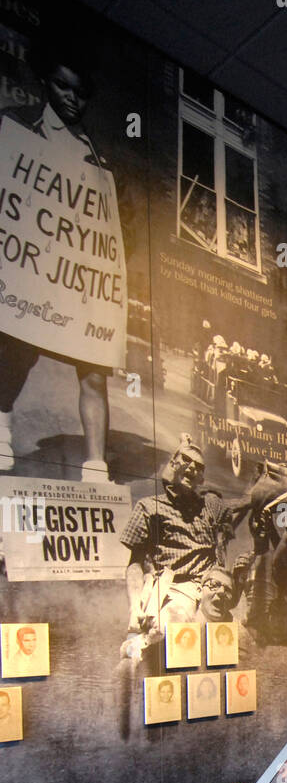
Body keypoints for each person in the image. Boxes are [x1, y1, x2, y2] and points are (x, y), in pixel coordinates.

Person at [0, 33, 120, 477]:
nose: (72, 99)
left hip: (79, 274)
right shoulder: (15, 126)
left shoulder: (97, 156)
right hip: (30, 265)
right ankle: (1, 429)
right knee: (16, 349)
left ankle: (95, 464)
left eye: (81, 91)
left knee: (93, 367)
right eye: (63, 87)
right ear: (46, 82)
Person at [121, 436, 238, 654]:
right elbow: (134, 563)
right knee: (172, 628)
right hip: (176, 588)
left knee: (232, 645)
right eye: (186, 460)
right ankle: (137, 650)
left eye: (199, 467)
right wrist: (135, 603)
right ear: (172, 463)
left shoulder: (210, 506)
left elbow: (240, 506)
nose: (193, 467)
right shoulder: (149, 508)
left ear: (202, 478)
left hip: (210, 588)